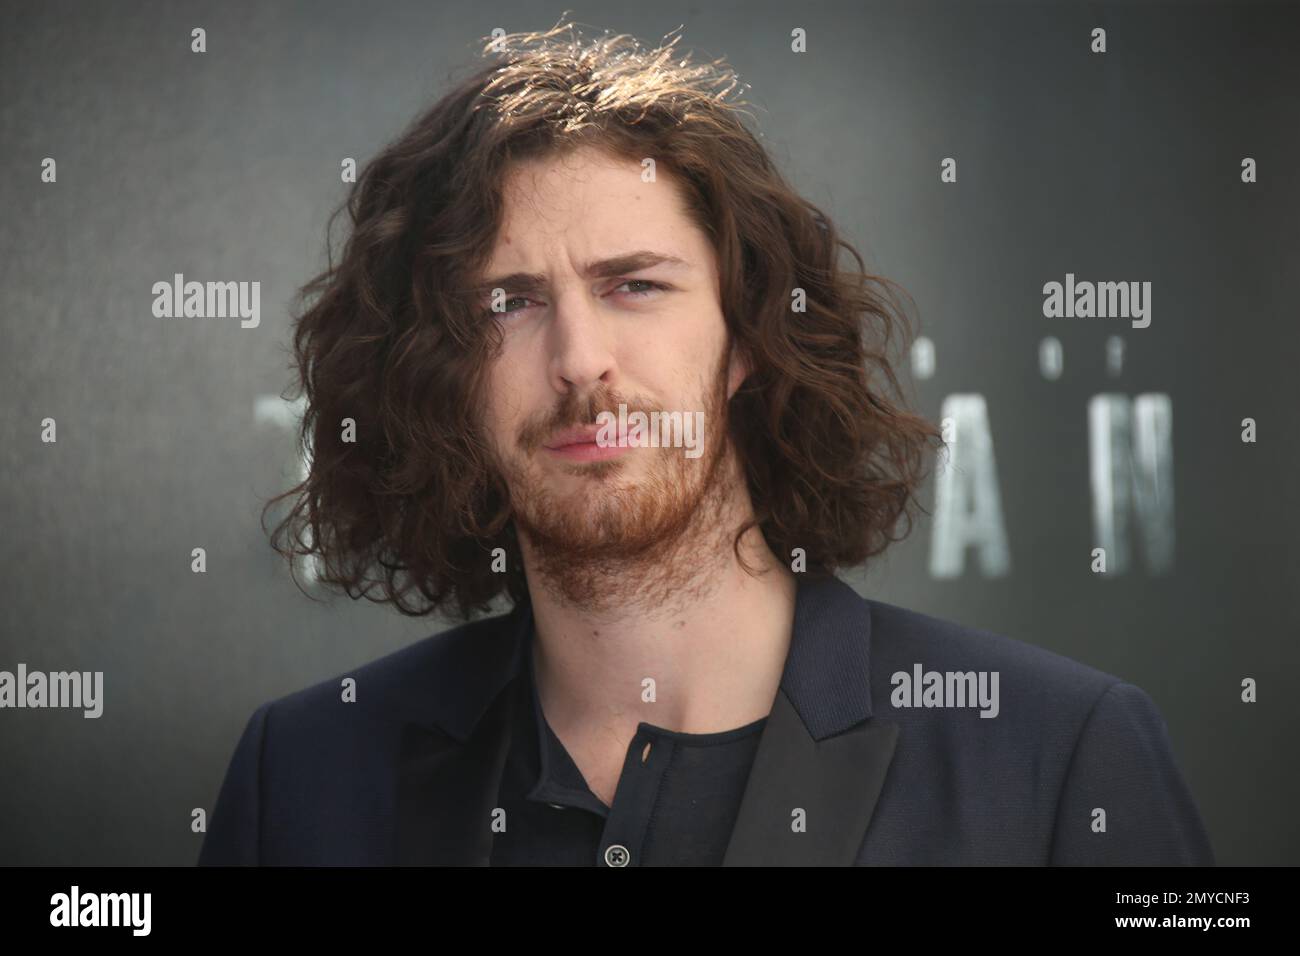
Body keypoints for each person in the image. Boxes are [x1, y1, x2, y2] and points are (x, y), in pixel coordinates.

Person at [198, 22, 1213, 866]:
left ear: (746, 340)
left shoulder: (1061, 757)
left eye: (633, 284)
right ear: (443, 375)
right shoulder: (304, 773)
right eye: (508, 303)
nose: (578, 358)